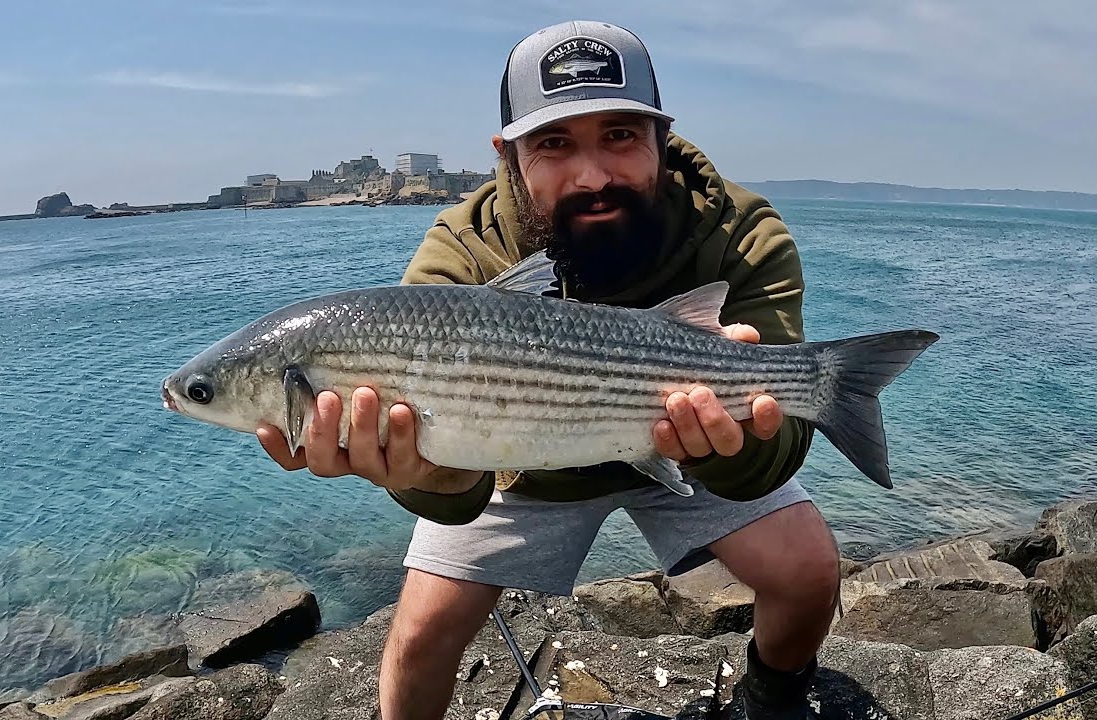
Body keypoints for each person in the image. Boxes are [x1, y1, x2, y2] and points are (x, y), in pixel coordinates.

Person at [257, 20, 841, 720]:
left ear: (662, 135)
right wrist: (424, 474)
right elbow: (450, 485)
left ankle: (771, 694)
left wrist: (736, 441)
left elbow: (776, 455)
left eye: (620, 135)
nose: (592, 174)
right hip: (515, 463)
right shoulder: (459, 256)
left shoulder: (743, 235)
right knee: (417, 639)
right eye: (555, 144)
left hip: (692, 446)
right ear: (509, 154)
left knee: (810, 576)